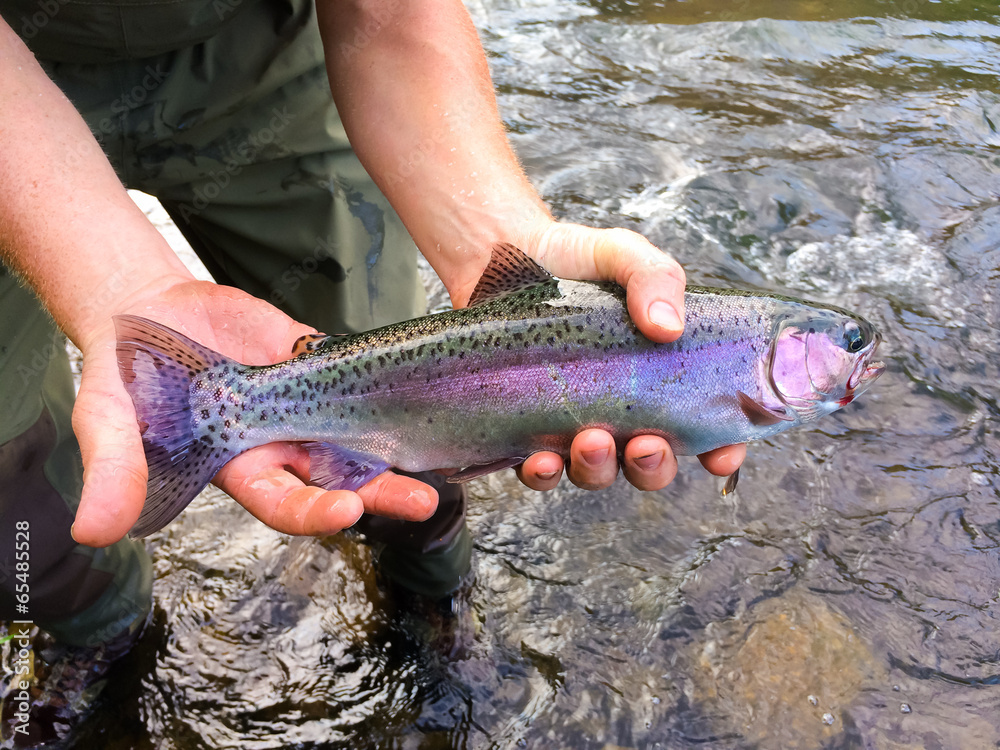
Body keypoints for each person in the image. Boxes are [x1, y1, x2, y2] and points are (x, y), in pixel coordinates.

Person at [0, 0, 745, 743]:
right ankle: (88, 629)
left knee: (407, 409)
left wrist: (505, 238)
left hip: (254, 51)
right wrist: (117, 291)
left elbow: (389, 18)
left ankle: (430, 591)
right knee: (15, 492)